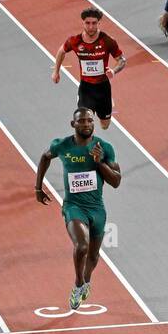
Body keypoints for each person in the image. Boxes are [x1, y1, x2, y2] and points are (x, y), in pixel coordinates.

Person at [34, 108, 121, 311]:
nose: (86, 124)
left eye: (90, 120)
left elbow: (116, 181)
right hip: (74, 206)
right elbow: (45, 157)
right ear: (73, 124)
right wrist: (38, 188)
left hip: (97, 209)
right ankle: (78, 284)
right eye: (81, 121)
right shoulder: (62, 145)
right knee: (81, 246)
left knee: (93, 256)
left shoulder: (104, 148)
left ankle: (86, 281)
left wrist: (99, 163)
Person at [52, 9, 126, 131]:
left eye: (94, 23)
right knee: (84, 123)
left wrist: (114, 71)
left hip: (103, 89)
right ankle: (88, 138)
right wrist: (56, 71)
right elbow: (61, 51)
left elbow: (122, 60)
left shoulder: (107, 40)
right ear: (83, 23)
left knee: (105, 125)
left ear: (98, 23)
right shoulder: (75, 41)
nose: (91, 27)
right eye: (87, 23)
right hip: (86, 89)